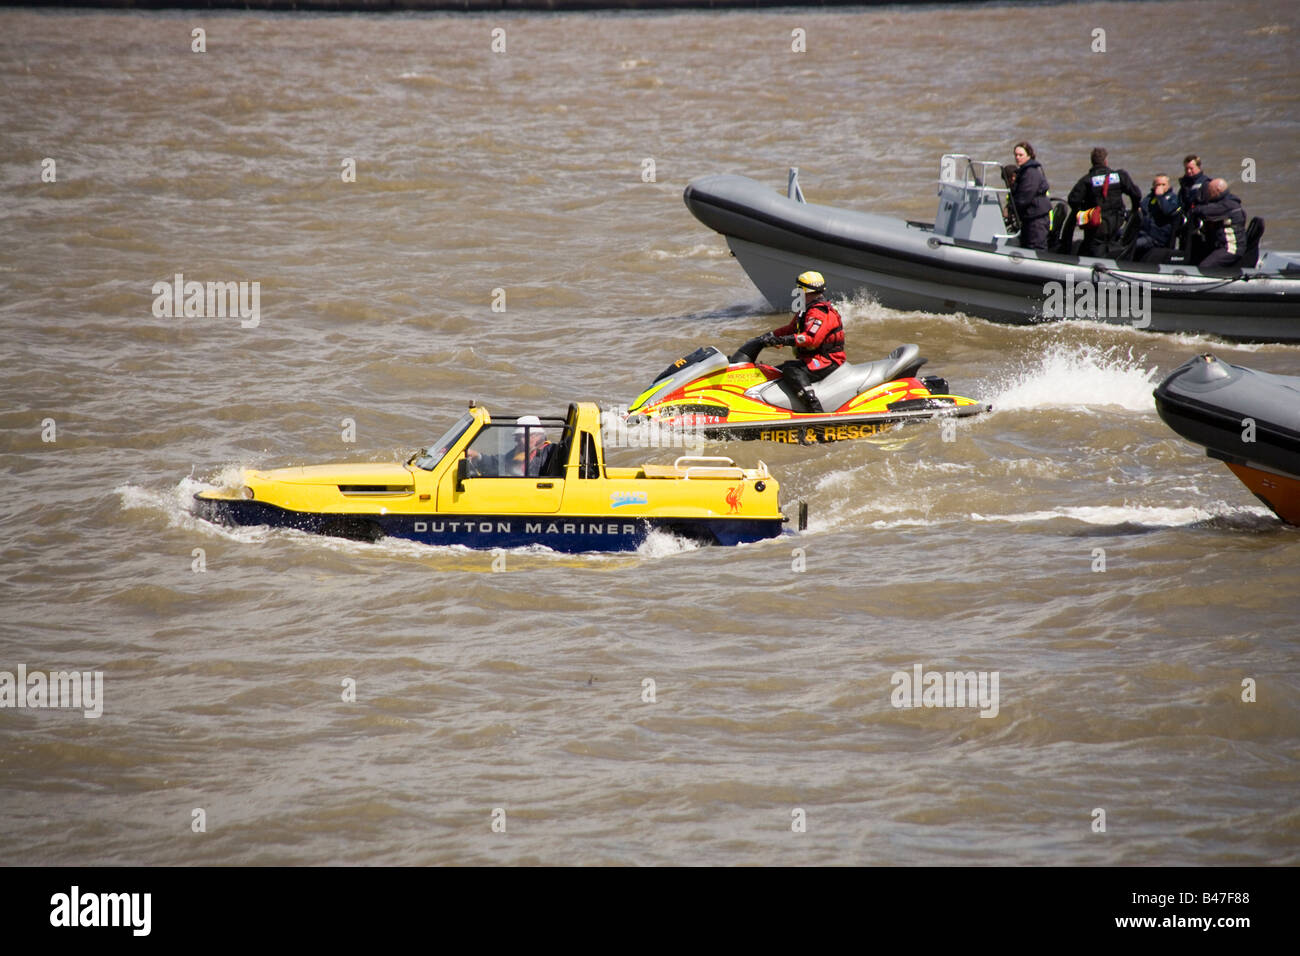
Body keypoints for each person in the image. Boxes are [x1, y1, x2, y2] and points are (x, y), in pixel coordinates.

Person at [759, 270, 845, 414]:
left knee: (791, 370)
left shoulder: (819, 312)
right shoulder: (805, 310)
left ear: (804, 290)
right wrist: (765, 338)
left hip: (828, 360)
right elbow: (790, 329)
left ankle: (815, 411)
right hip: (813, 359)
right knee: (772, 371)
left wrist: (784, 341)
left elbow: (811, 339)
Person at [1066, 147, 1142, 258]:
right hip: (1116, 222)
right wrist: (1134, 210)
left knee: (1093, 249)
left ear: (1092, 162)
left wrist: (1084, 210)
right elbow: (1136, 194)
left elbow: (1073, 200)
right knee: (1111, 246)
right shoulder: (1119, 176)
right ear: (1106, 161)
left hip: (1096, 225)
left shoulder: (1087, 180)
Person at [468, 416, 554, 477]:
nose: (516, 440)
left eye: (520, 436)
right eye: (516, 437)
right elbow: (501, 463)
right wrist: (478, 457)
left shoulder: (550, 453)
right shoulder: (522, 451)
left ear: (535, 435)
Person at [1193, 178, 1247, 270]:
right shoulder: (1225, 202)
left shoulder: (1228, 205)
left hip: (1230, 249)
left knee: (1204, 267)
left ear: (1217, 191)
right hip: (1222, 245)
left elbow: (1204, 211)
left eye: (1209, 191)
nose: (1208, 193)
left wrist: (1194, 208)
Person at [1133, 174, 1184, 262]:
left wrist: (1160, 197)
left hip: (1157, 238)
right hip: (1144, 233)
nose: (1160, 187)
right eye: (1158, 185)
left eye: (1163, 185)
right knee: (1121, 236)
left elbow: (1167, 210)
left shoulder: (1173, 199)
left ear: (1168, 186)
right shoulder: (1149, 198)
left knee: (1134, 244)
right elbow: (1141, 210)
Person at [1010, 141, 1051, 250]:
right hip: (1030, 217)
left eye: (1020, 155)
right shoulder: (1024, 171)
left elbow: (1024, 197)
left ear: (1029, 155)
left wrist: (1011, 209)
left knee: (1036, 248)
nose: (1017, 157)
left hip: (1036, 219)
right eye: (1016, 155)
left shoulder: (1030, 172)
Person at [1178, 155, 1212, 261]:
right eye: (1186, 169)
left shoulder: (1206, 184)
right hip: (1186, 224)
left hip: (1199, 226)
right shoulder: (1185, 185)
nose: (1188, 171)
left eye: (1191, 168)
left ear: (1199, 167)